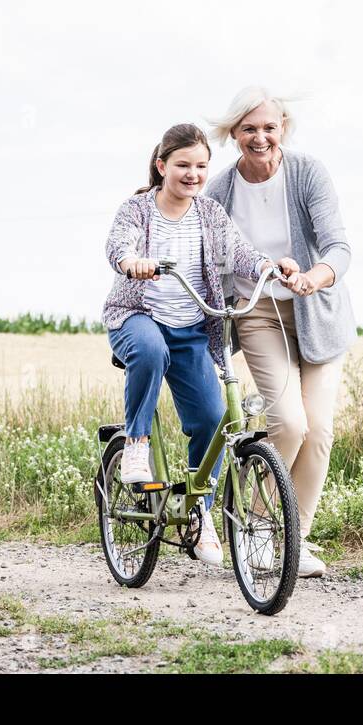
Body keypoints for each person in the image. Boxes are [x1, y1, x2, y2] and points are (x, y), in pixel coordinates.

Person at [102, 122, 294, 565]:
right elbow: (118, 244)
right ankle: (135, 445)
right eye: (183, 165)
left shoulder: (209, 214)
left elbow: (239, 251)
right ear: (162, 165)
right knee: (150, 351)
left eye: (201, 166)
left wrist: (270, 266)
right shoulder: (138, 210)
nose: (192, 174)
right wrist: (132, 262)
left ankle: (200, 513)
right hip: (138, 317)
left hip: (192, 327)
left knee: (213, 417)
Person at [206, 87, 357, 578]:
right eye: (249, 128)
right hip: (257, 310)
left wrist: (315, 276)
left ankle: (296, 538)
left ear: (283, 129)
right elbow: (211, 258)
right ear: (233, 134)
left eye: (269, 127)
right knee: (289, 424)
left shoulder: (308, 173)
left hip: (317, 310)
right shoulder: (221, 193)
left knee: (319, 431)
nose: (260, 137)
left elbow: (338, 246)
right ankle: (257, 527)